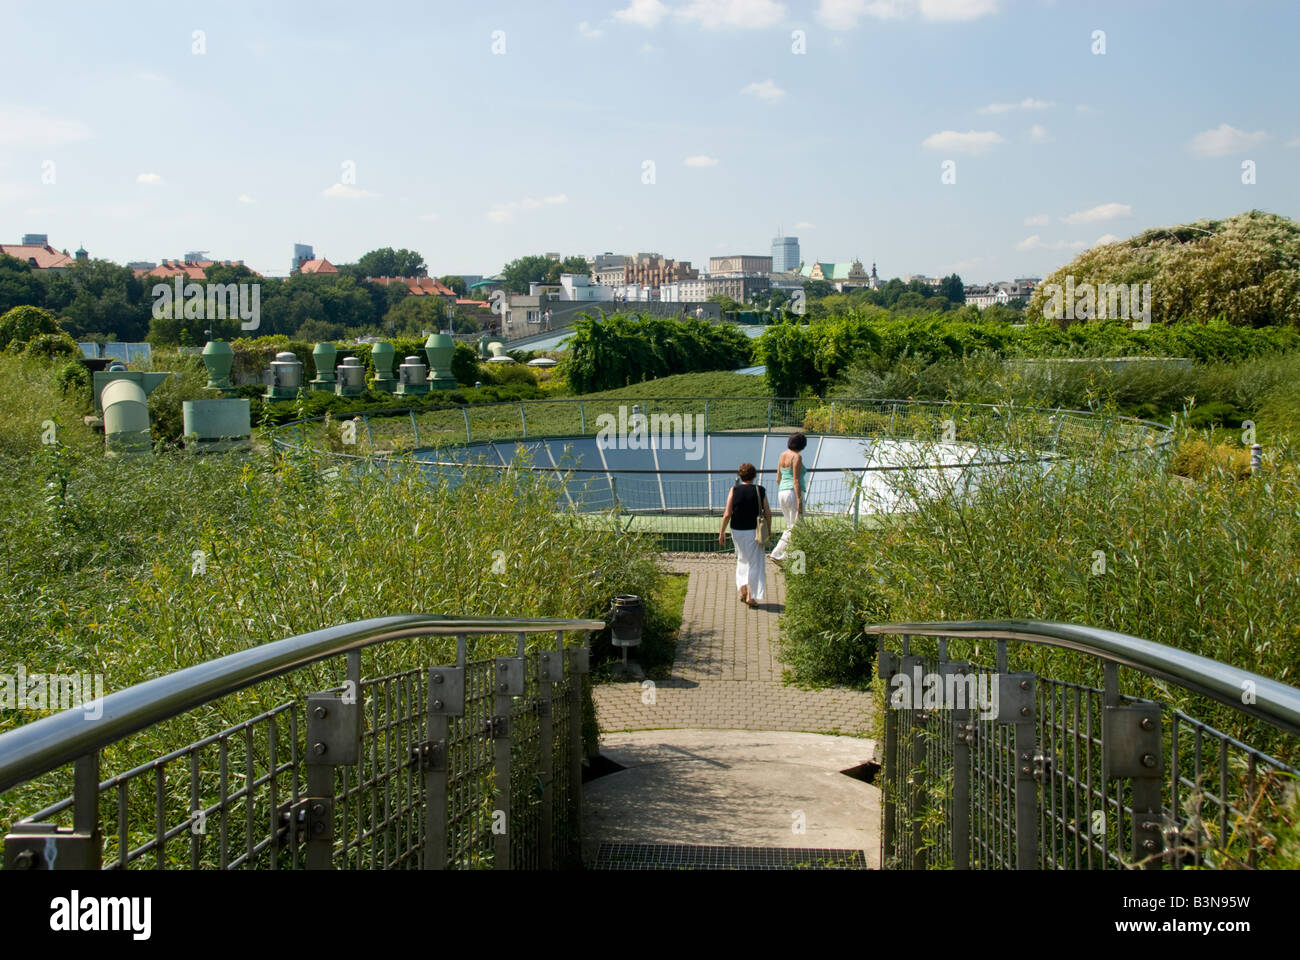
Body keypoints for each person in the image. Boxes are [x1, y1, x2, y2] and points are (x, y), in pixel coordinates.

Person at [719, 462, 771, 608]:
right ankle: (750, 596)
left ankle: (742, 589)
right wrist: (769, 531)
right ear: (754, 476)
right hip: (753, 531)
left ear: (740, 475)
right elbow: (768, 513)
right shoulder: (759, 490)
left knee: (742, 559)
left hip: (736, 530)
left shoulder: (734, 490)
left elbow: (727, 513)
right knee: (755, 563)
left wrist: (722, 531)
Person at [771, 432, 808, 563]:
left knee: (790, 525)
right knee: (796, 525)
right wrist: (799, 500)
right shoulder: (796, 457)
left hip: (782, 492)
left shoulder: (782, 455)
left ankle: (780, 554)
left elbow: (778, 478)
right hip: (793, 492)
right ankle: (782, 555)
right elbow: (796, 480)